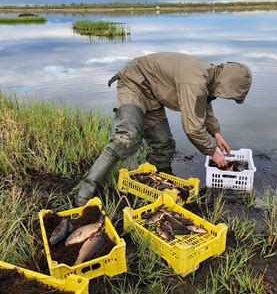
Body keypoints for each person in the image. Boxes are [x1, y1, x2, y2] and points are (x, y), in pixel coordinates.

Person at [75, 52, 252, 206]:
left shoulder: (210, 75)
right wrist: (213, 152)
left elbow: (203, 106)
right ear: (228, 86)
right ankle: (84, 192)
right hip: (135, 84)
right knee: (126, 140)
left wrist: (216, 133)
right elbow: (192, 128)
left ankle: (159, 186)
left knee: (164, 145)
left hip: (153, 95)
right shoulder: (195, 82)